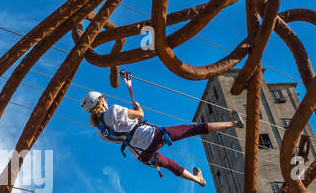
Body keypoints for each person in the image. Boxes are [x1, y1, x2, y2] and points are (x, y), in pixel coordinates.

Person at [81, 71, 234, 185]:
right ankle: (232, 123)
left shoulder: (100, 132)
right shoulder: (113, 110)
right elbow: (140, 113)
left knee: (171, 165)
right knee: (193, 129)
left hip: (140, 154)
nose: (106, 101)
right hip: (149, 136)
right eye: (103, 99)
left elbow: (124, 131)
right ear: (99, 102)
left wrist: (134, 119)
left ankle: (196, 179)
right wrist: (138, 107)